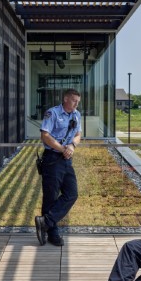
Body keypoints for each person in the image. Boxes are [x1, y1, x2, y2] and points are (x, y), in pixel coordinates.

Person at [35, 88, 82, 247]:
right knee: (51, 196)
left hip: (67, 159)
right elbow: (45, 135)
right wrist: (62, 149)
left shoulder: (77, 114)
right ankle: (52, 233)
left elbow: (78, 134)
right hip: (52, 158)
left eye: (78, 101)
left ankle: (45, 222)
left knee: (72, 193)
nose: (76, 104)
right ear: (65, 99)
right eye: (74, 100)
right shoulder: (52, 113)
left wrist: (73, 146)